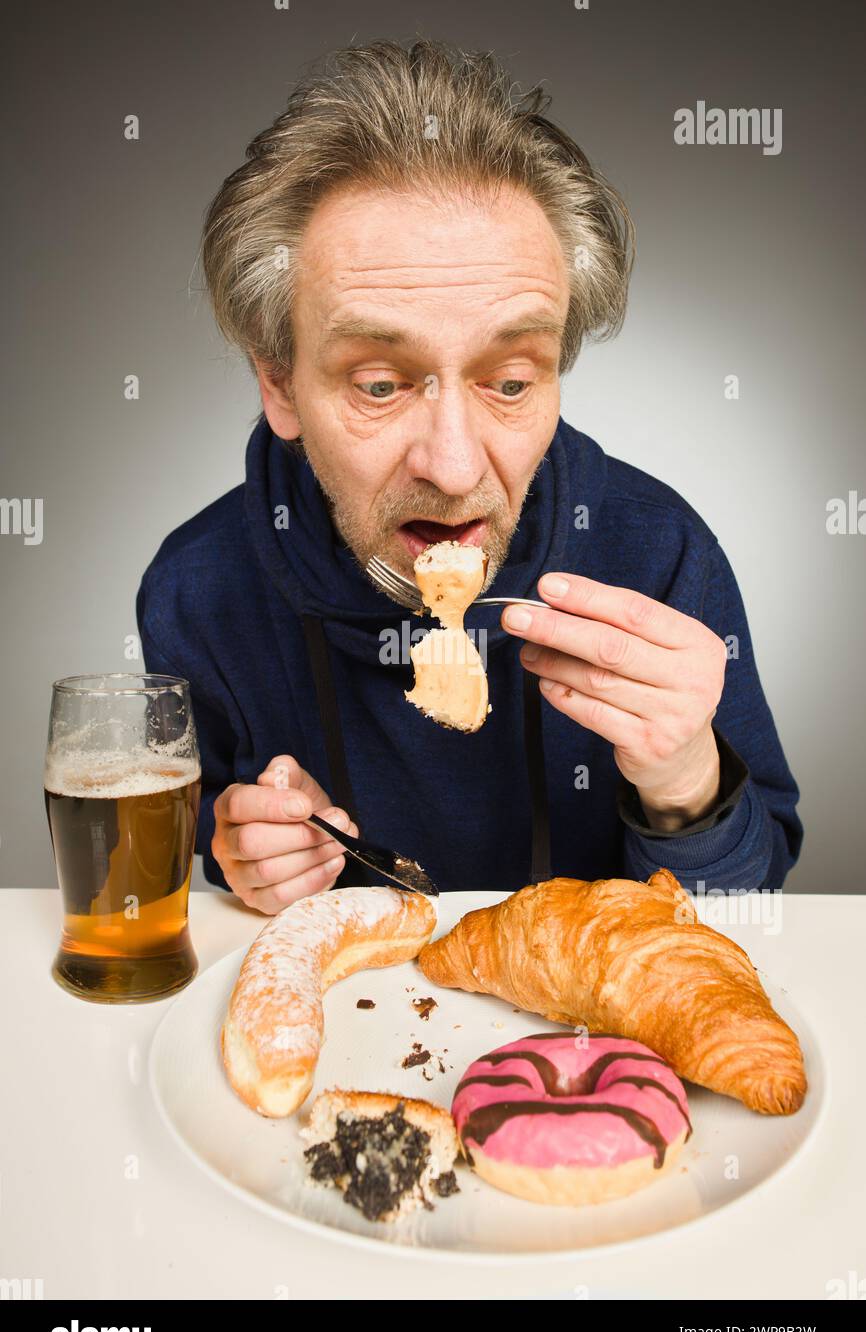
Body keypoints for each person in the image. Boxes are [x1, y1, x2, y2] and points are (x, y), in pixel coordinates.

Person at [137, 39, 802, 914]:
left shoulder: (660, 554)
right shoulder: (197, 590)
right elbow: (211, 857)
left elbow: (749, 905)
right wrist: (246, 853)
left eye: (512, 383)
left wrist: (684, 781)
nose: (453, 468)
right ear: (279, 381)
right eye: (379, 384)